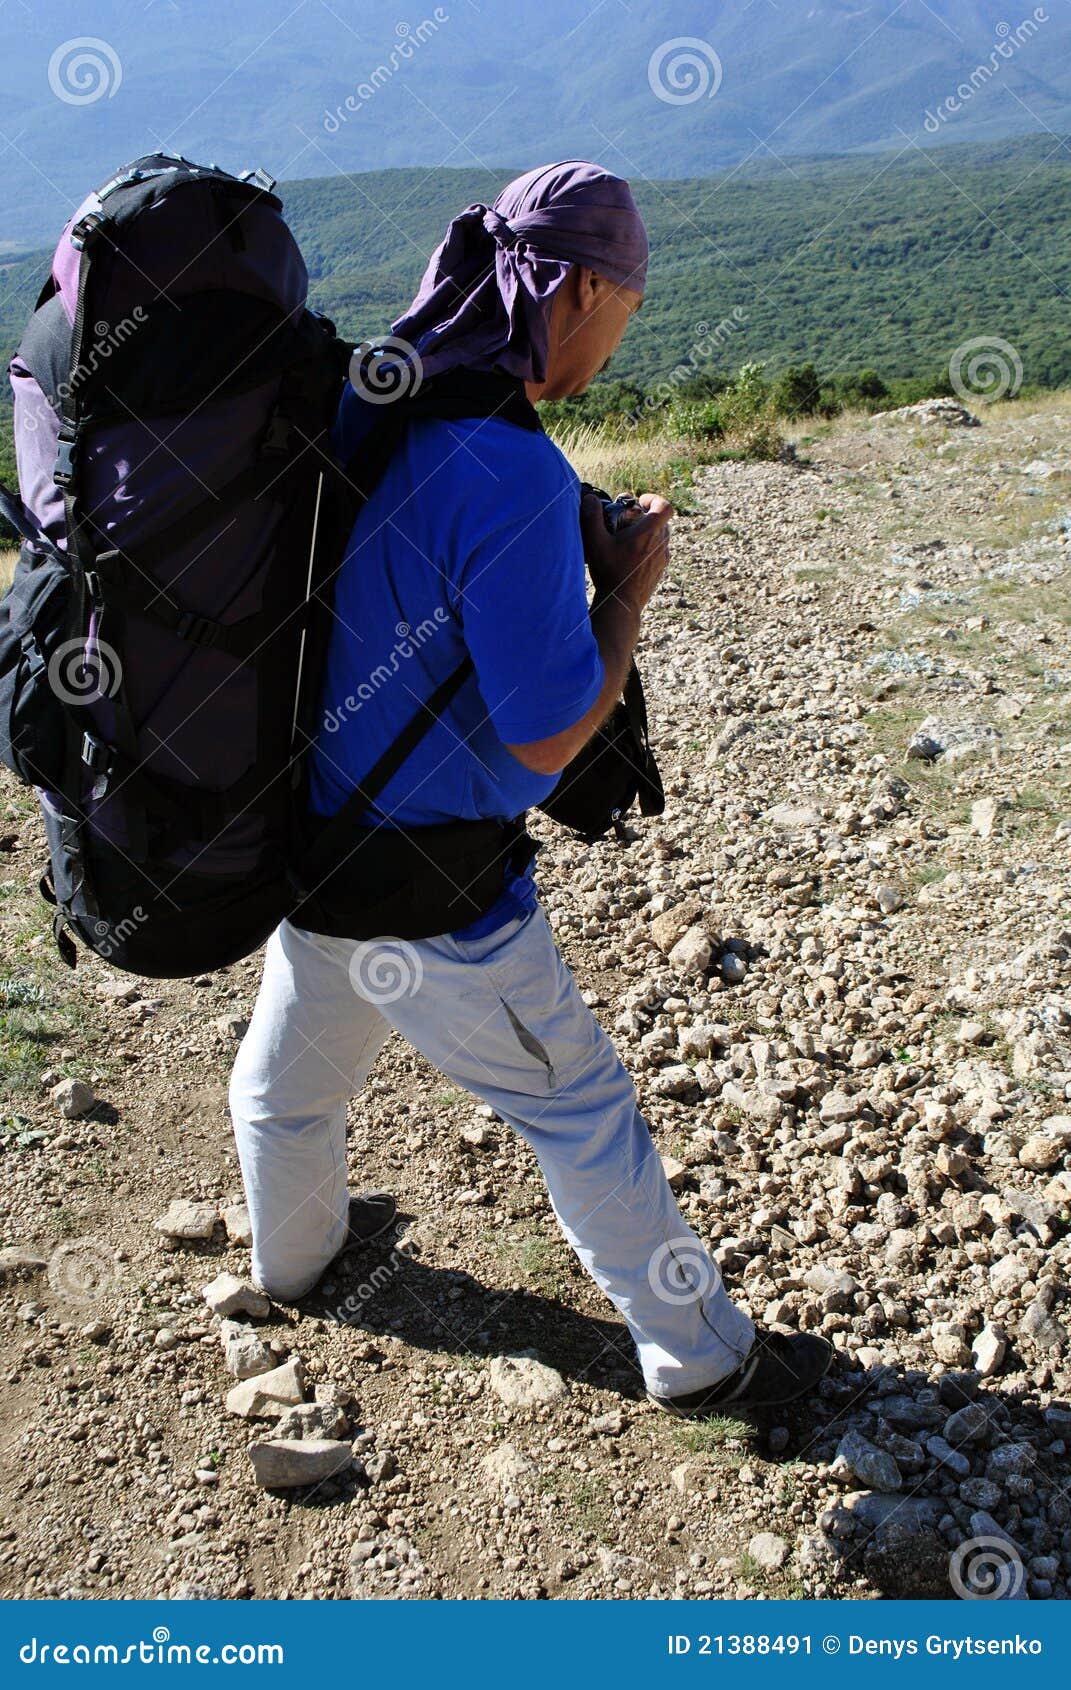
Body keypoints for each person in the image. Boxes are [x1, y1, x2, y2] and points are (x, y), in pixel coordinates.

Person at [228, 161, 830, 1417]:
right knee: (580, 1109)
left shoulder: (369, 404)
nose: (621, 337)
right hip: (442, 892)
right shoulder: (510, 475)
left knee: (285, 1086)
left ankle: (295, 1258)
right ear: (574, 290)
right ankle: (708, 1358)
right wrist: (623, 593)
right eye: (628, 308)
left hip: (314, 851)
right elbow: (550, 733)